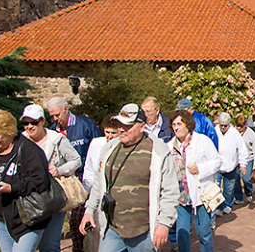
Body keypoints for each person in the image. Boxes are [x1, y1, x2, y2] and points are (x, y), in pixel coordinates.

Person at [79, 104, 179, 251]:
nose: (121, 129)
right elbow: (99, 183)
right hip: (112, 229)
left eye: (128, 125)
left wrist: (164, 224)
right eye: (119, 124)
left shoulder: (158, 151)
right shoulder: (109, 149)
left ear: (142, 126)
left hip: (143, 231)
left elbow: (170, 191)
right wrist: (89, 210)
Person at [0, 109, 52, 252]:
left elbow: (41, 181)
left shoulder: (29, 151)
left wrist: (12, 188)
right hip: (2, 220)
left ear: (8, 131)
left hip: (28, 220)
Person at [20, 104, 82, 252]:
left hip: (53, 197)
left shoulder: (56, 139)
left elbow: (76, 160)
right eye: (25, 123)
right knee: (29, 244)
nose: (29, 126)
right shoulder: (21, 140)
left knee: (50, 244)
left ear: (42, 121)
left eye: (33, 122)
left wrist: (59, 170)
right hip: (29, 198)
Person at [47, 97, 101, 252]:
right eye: (52, 116)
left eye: (57, 115)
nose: (55, 119)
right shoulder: (52, 131)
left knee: (82, 222)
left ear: (66, 109)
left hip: (83, 183)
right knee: (70, 224)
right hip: (62, 184)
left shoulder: (85, 126)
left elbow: (97, 152)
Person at [168, 110, 220, 252]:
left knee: (204, 233)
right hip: (180, 197)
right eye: (174, 124)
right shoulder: (169, 146)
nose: (176, 127)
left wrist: (200, 169)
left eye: (180, 123)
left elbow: (217, 161)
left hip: (200, 195)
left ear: (188, 125)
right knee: (182, 233)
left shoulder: (202, 141)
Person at [81, 117, 120, 252]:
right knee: (97, 230)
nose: (109, 136)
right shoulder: (96, 144)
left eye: (113, 133)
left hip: (115, 195)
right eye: (107, 132)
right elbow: (90, 169)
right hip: (97, 193)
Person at [214, 112, 247, 216]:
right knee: (216, 188)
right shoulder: (214, 132)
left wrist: (243, 164)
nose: (223, 127)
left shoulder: (234, 133)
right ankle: (219, 206)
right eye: (221, 125)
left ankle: (227, 204)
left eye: (225, 125)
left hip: (231, 166)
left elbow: (242, 150)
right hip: (217, 167)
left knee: (229, 190)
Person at [234, 114, 255, 204]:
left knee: (246, 178)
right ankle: (239, 197)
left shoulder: (251, 133)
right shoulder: (234, 133)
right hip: (236, 159)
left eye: (240, 126)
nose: (238, 128)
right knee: (236, 178)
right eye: (237, 126)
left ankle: (248, 192)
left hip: (248, 158)